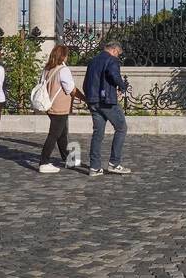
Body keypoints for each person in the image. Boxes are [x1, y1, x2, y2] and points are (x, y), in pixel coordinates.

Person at [84, 41, 129, 177]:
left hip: (93, 101)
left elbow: (86, 83)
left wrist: (90, 98)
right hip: (107, 101)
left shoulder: (92, 61)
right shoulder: (112, 60)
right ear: (114, 50)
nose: (118, 56)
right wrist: (122, 87)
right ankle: (114, 163)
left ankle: (94, 167)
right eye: (118, 54)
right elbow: (114, 76)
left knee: (98, 133)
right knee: (121, 128)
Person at [38, 44, 85, 173]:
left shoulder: (47, 69)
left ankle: (67, 159)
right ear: (63, 56)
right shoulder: (63, 70)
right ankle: (44, 162)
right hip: (60, 107)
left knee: (62, 133)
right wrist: (84, 98)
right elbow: (71, 89)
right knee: (54, 134)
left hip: (50, 105)